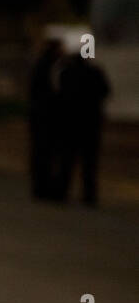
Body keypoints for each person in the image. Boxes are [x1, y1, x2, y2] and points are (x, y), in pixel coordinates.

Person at [56, 48, 110, 206]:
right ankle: (89, 195)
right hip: (90, 124)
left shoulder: (68, 73)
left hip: (72, 124)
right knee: (89, 163)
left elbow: (60, 95)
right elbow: (105, 91)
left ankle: (63, 191)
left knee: (68, 160)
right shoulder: (94, 73)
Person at [28, 35, 65, 201]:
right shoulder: (49, 66)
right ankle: (43, 187)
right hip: (46, 118)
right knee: (45, 154)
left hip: (43, 118)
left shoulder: (45, 65)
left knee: (43, 154)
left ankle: (42, 187)